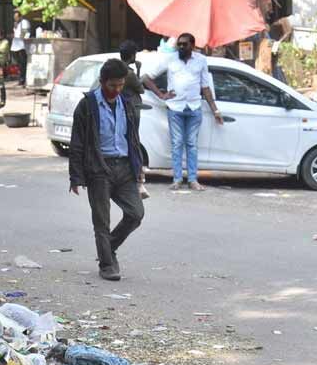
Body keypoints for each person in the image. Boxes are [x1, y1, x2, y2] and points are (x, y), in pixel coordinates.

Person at [69, 59, 144, 282]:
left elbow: (133, 138)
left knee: (135, 214)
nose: (116, 90)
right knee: (101, 221)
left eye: (121, 85)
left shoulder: (127, 103)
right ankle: (107, 264)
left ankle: (108, 247)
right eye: (112, 85)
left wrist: (138, 167)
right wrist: (75, 176)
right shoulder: (87, 105)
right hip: (98, 168)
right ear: (102, 82)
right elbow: (77, 143)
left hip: (124, 168)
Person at [143, 32, 224, 191]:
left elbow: (205, 87)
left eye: (184, 44)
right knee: (177, 143)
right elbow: (146, 78)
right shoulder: (170, 59)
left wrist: (215, 110)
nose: (181, 47)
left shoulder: (201, 61)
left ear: (192, 46)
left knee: (192, 144)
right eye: (179, 44)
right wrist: (161, 95)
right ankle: (177, 179)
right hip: (175, 108)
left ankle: (193, 180)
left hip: (194, 107)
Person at [118, 40, 149, 199]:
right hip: (132, 110)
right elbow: (140, 89)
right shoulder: (128, 72)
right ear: (132, 55)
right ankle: (138, 179)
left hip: (123, 110)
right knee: (134, 142)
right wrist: (138, 70)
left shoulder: (117, 69)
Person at [11, 10, 31, 86]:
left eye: (16, 17)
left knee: (23, 63)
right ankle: (20, 78)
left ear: (20, 17)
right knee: (19, 64)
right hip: (16, 45)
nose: (15, 19)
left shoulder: (24, 22)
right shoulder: (16, 24)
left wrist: (21, 37)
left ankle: (23, 79)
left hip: (22, 45)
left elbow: (25, 33)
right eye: (14, 17)